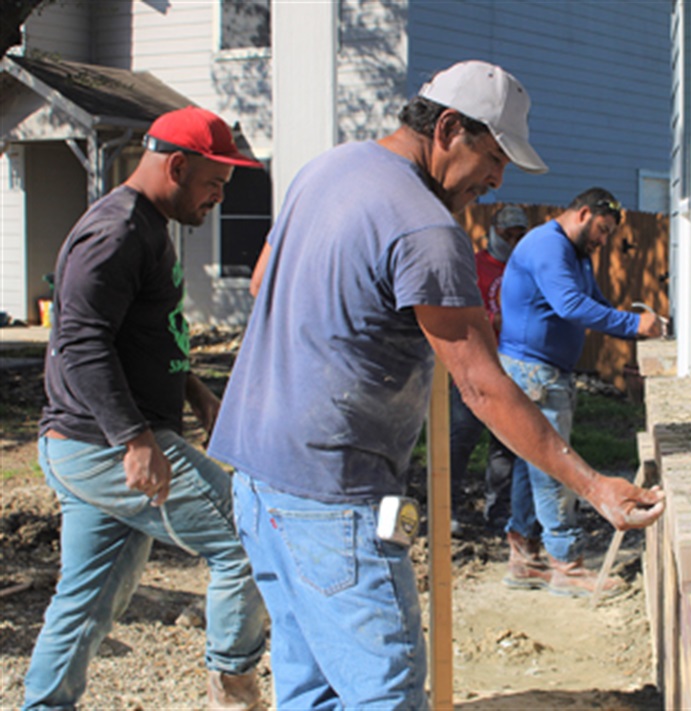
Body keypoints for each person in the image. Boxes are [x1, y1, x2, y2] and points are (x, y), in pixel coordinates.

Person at [206, 60, 664, 709]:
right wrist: (594, 487)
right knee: (386, 691)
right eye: (495, 156)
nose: (498, 179)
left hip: (256, 480)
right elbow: (482, 386)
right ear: (449, 127)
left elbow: (261, 284)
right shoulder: (424, 226)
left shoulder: (324, 170)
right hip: (331, 493)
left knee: (313, 686)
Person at [24, 106, 268, 710]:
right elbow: (80, 343)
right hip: (102, 444)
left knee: (87, 597)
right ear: (177, 166)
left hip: (89, 444)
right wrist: (135, 439)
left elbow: (146, 333)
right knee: (250, 539)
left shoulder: (149, 226)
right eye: (214, 183)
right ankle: (233, 690)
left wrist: (195, 390)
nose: (218, 197)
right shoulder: (117, 232)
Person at [498, 187, 664, 597]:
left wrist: (630, 320)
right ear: (583, 213)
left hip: (542, 371)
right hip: (532, 372)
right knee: (555, 466)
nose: (603, 241)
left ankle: (525, 557)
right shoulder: (548, 246)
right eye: (602, 230)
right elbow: (571, 306)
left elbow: (592, 299)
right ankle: (568, 567)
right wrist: (631, 325)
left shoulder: (575, 254)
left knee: (531, 461)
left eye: (608, 234)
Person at [449, 204, 529, 530]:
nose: (512, 240)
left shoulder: (526, 269)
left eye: (518, 234)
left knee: (506, 445)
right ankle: (446, 507)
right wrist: (497, 320)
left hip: (512, 368)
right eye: (507, 234)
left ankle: (498, 511)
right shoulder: (474, 266)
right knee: (460, 439)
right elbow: (464, 312)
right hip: (474, 366)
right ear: (493, 232)